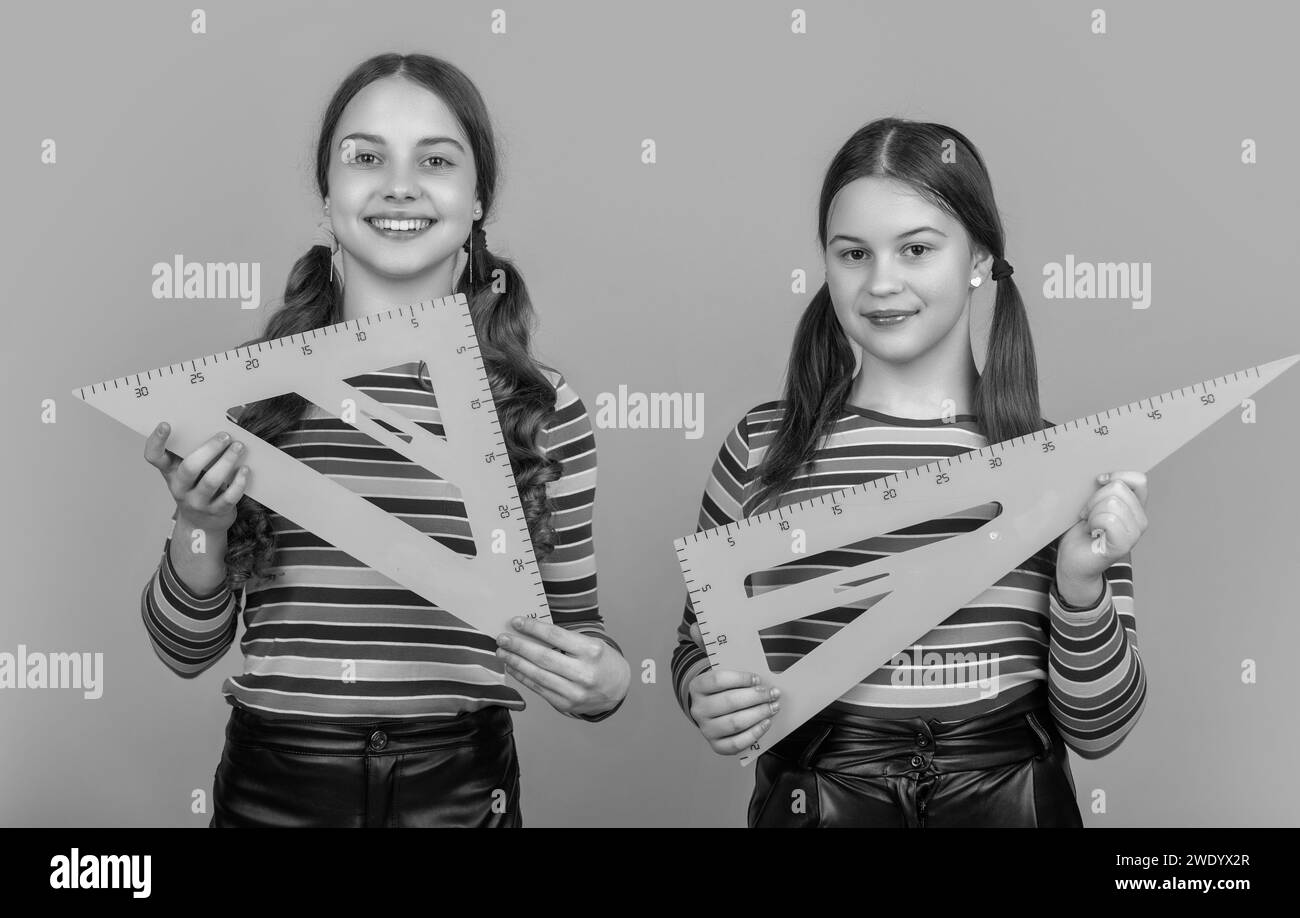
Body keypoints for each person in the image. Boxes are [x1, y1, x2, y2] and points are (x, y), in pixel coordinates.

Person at [139, 52, 629, 828]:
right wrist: (199, 523)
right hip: (274, 789)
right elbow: (184, 650)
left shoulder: (541, 407)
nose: (399, 185)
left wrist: (606, 683)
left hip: (464, 791)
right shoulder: (250, 396)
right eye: (365, 158)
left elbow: (580, 636)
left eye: (436, 160)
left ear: (477, 201)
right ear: (328, 196)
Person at [671, 117, 1148, 827]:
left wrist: (1081, 589)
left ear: (979, 259)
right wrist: (704, 693)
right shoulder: (760, 449)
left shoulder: (1060, 467)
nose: (881, 282)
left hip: (1012, 804)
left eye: (917, 248)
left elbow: (1099, 731)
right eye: (853, 253)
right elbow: (697, 646)